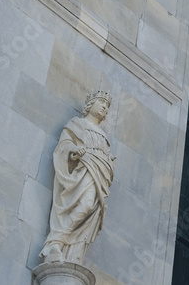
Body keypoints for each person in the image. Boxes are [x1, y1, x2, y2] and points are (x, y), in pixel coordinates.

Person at [39, 90, 116, 264]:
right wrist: (73, 150)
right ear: (90, 104)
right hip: (84, 169)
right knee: (86, 204)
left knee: (90, 207)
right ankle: (56, 241)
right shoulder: (77, 124)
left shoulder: (104, 137)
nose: (104, 107)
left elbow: (105, 155)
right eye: (101, 102)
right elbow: (64, 145)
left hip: (100, 174)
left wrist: (110, 164)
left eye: (107, 105)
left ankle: (66, 246)